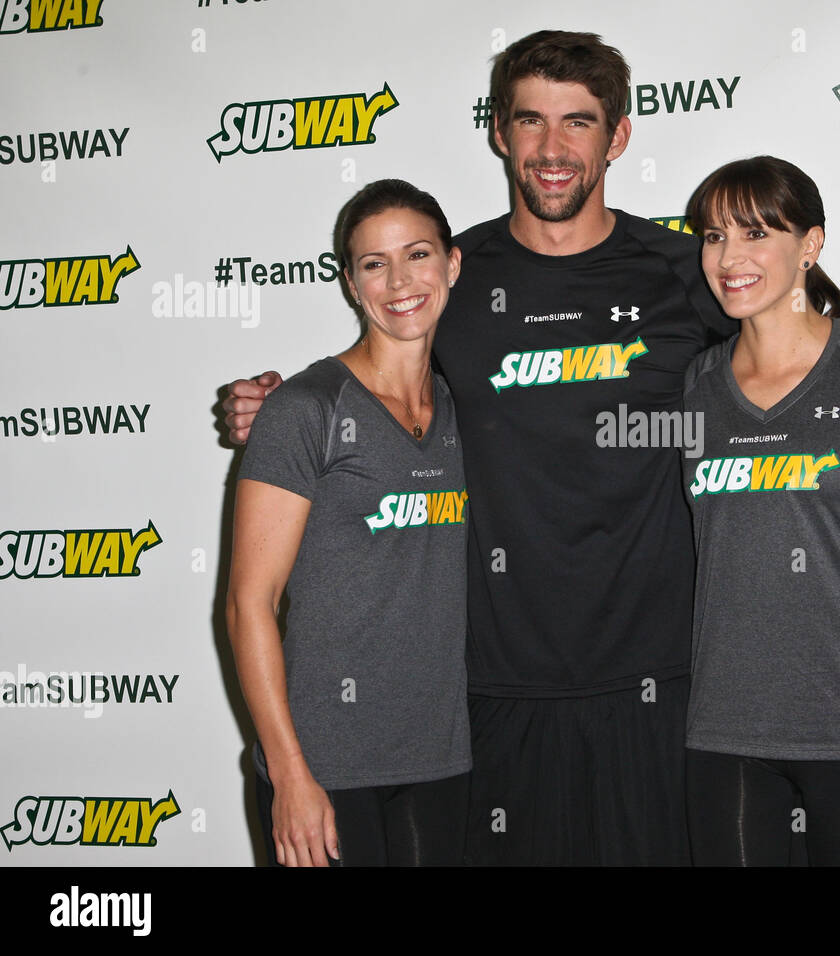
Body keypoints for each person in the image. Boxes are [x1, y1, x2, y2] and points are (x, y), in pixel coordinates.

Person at [223, 31, 732, 865]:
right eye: (531, 121)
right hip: (487, 698)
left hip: (655, 683)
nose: (553, 149)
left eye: (579, 122)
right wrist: (274, 410)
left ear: (620, 136)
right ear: (499, 132)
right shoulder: (454, 278)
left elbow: (789, 364)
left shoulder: (685, 271)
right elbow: (377, 376)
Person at [679, 157, 840, 865]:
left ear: (810, 245)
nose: (730, 257)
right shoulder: (696, 383)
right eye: (715, 236)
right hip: (725, 727)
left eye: (756, 233)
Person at [226, 179, 470, 866]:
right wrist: (291, 775)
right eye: (373, 263)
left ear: (452, 264)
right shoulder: (305, 409)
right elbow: (250, 605)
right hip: (325, 767)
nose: (399, 281)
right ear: (350, 283)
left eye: (417, 254)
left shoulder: (464, 406)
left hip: (440, 758)